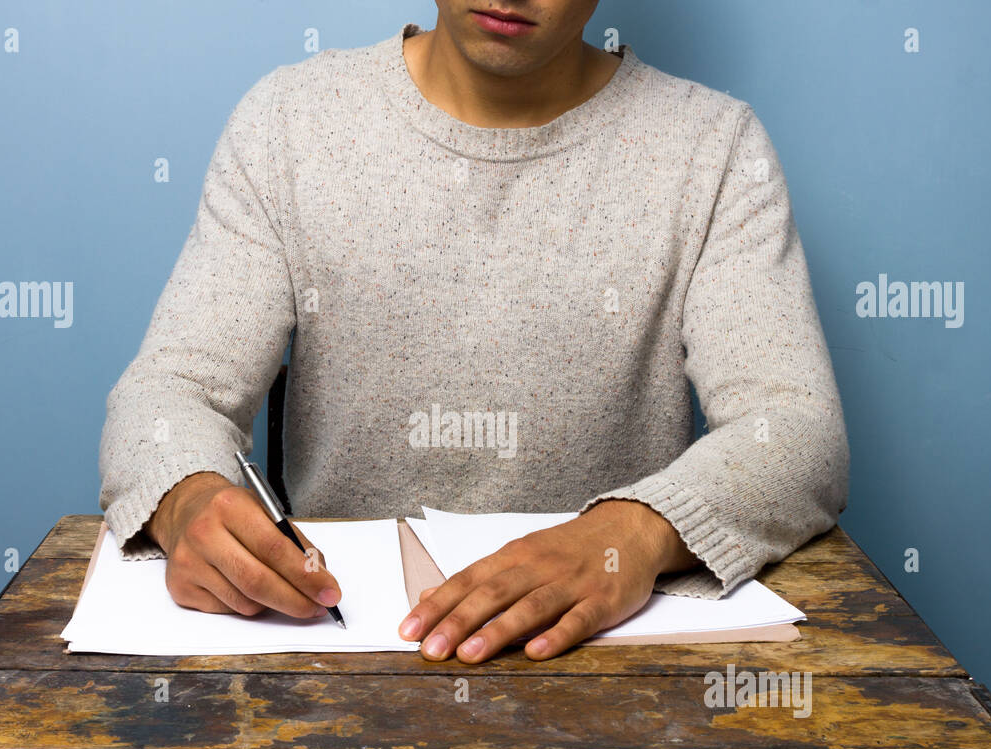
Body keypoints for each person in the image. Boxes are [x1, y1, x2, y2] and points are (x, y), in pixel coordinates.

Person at [99, 2, 849, 663]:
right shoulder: (288, 123)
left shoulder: (714, 148)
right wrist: (186, 498)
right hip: (338, 652)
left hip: (600, 670)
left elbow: (794, 428)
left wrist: (638, 534)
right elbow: (172, 392)